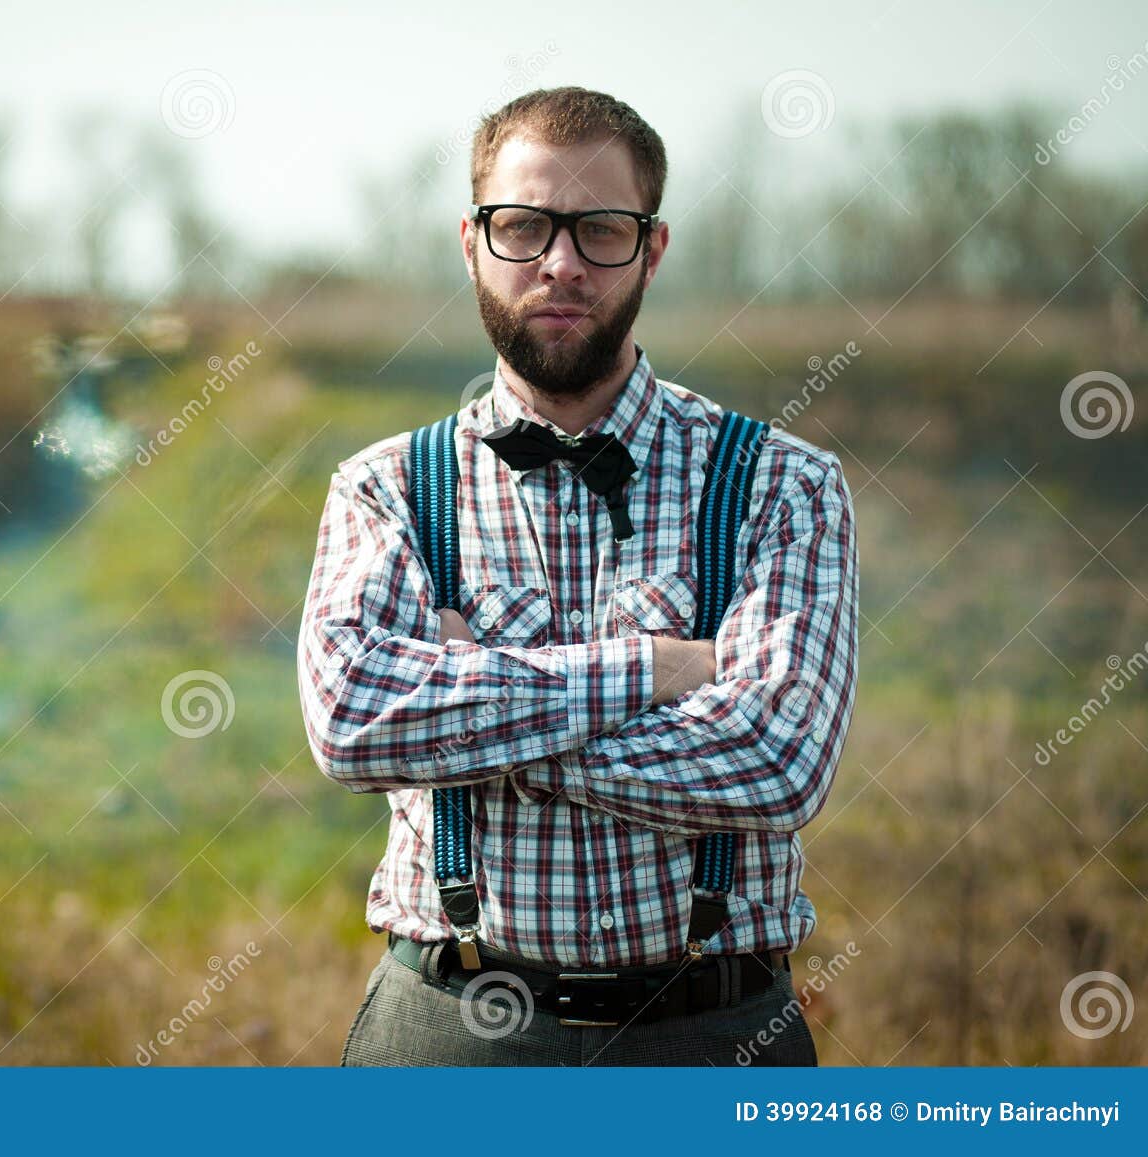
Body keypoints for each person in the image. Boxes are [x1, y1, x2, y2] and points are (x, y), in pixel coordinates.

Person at [296, 86, 859, 1066]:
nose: (560, 263)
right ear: (472, 242)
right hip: (446, 1032)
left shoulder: (782, 483)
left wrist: (467, 723)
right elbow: (351, 720)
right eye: (523, 226)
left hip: (712, 1037)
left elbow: (776, 759)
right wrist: (653, 670)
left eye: (600, 228)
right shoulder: (385, 488)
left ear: (652, 248)